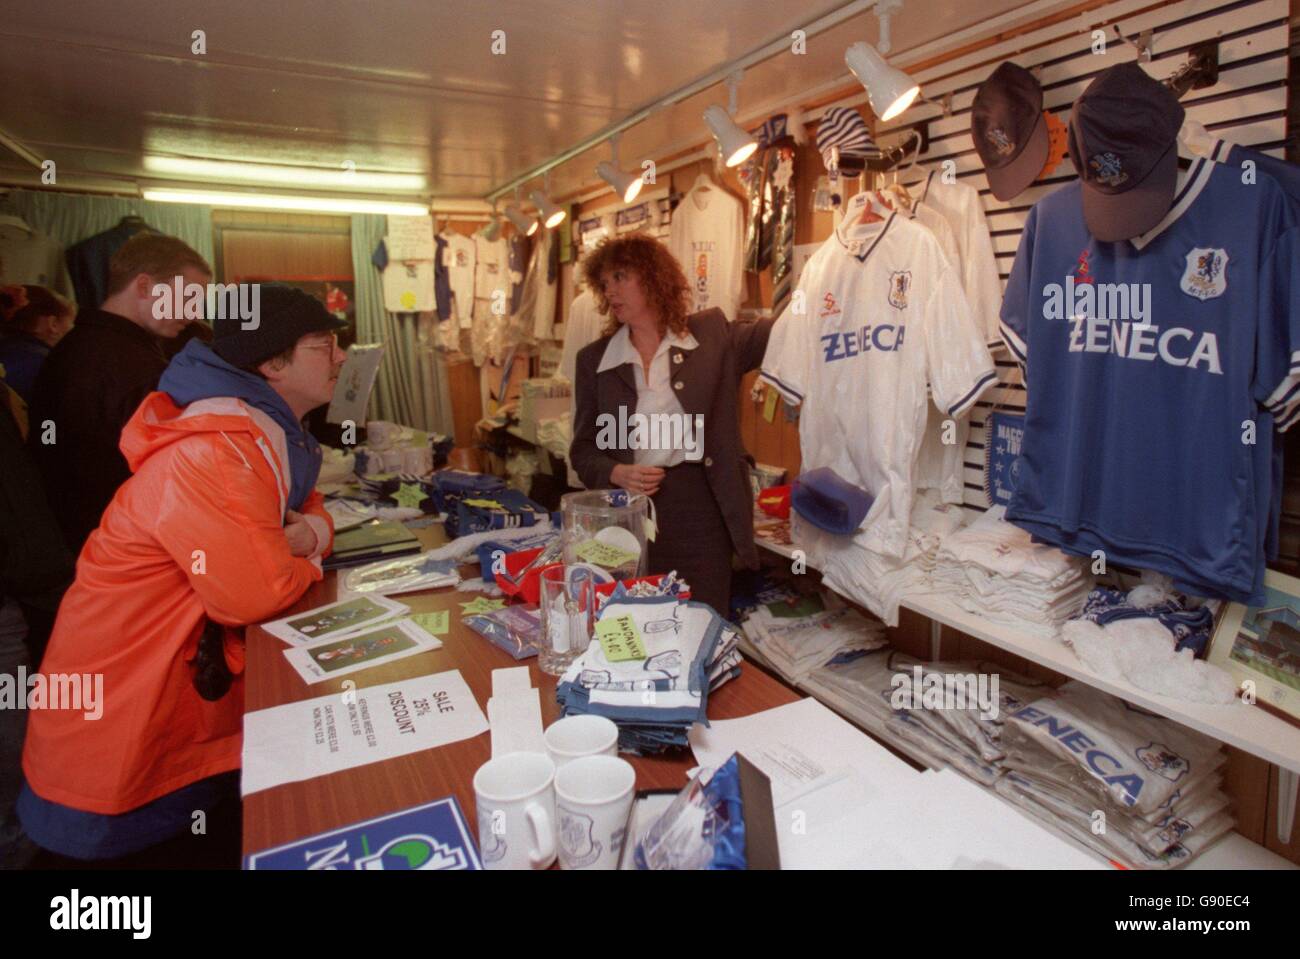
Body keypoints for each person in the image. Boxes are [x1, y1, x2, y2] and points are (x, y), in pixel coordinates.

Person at [18, 284, 348, 865]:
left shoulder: (264, 436)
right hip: (126, 732)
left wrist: (310, 538)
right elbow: (257, 593)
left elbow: (307, 511)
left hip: (177, 710)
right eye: (325, 345)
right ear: (272, 364)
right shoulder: (216, 450)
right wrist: (306, 549)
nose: (342, 357)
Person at [569, 234, 775, 615]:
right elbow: (582, 451)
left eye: (620, 277)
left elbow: (776, 332)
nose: (610, 291)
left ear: (653, 278)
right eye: (605, 282)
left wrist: (822, 287)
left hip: (702, 511)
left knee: (702, 618)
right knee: (637, 619)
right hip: (630, 514)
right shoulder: (596, 361)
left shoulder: (710, 336)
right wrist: (615, 472)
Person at [28, 233, 212, 554]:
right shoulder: (134, 368)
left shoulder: (69, 348)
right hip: (121, 546)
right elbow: (167, 478)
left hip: (70, 539)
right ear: (144, 286)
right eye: (187, 298)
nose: (193, 313)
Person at [0, 284, 75, 403]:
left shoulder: (5, 351)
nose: (74, 330)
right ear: (53, 324)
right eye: (72, 323)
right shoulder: (52, 369)